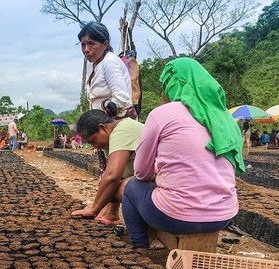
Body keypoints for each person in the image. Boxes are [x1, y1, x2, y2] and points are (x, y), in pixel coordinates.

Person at [119, 57, 242, 255]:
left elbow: (141, 172)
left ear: (172, 84)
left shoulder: (162, 114)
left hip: (175, 215)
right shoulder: (226, 119)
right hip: (223, 215)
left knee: (131, 186)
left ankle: (140, 249)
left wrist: (159, 173)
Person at [78, 21, 136, 224]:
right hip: (105, 124)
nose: (86, 49)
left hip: (115, 123)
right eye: (83, 44)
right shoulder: (98, 64)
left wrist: (104, 117)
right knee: (112, 169)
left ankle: (109, 211)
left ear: (105, 44)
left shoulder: (110, 62)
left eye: (91, 44)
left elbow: (121, 97)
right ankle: (111, 212)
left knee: (118, 170)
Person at [70, 101, 143, 225]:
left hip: (165, 185)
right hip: (153, 181)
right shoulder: (113, 136)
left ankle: (146, 234)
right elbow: (112, 176)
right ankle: (112, 215)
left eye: (93, 141)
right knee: (108, 182)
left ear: (102, 128)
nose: (95, 146)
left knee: (122, 187)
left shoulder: (122, 131)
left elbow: (112, 176)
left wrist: (94, 209)